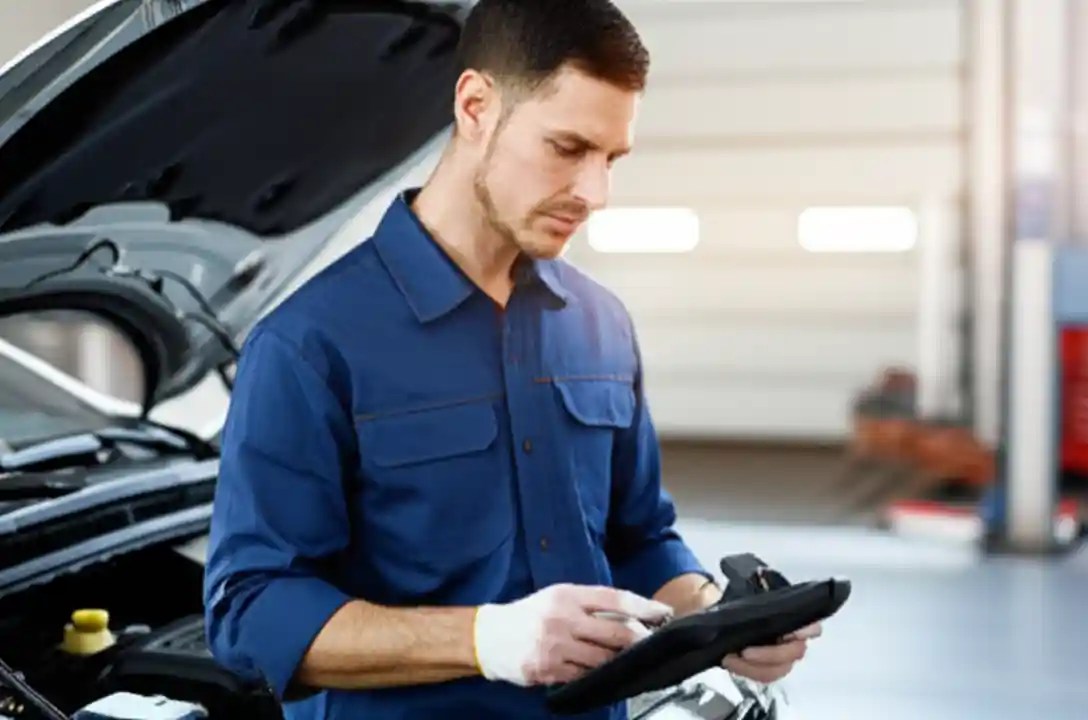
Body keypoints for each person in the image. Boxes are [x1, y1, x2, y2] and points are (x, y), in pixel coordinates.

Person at [202, 1, 821, 718]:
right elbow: (251, 613)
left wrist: (718, 617)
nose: (595, 194)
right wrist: (485, 639)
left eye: (611, 159)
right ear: (475, 106)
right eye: (567, 147)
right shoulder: (307, 346)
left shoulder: (601, 325)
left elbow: (639, 537)